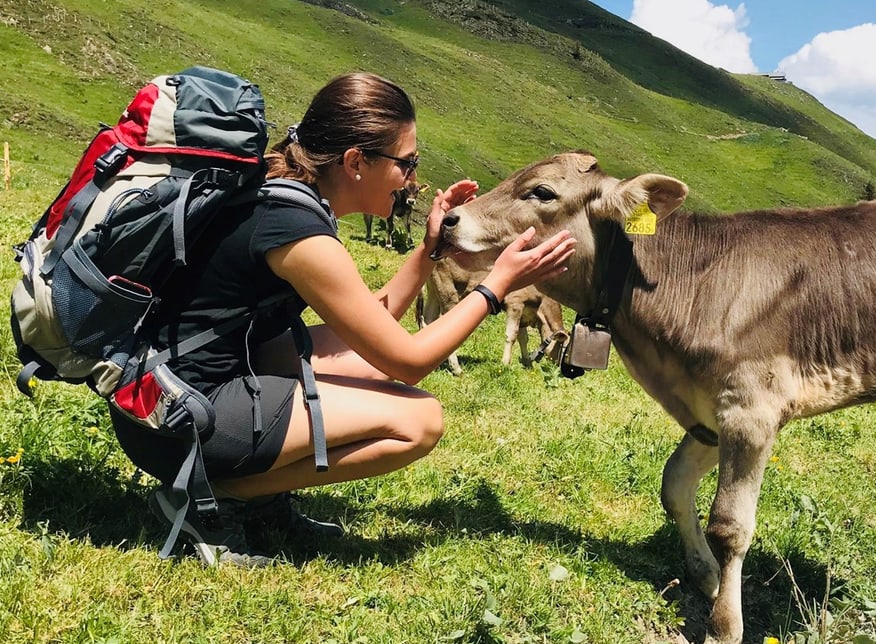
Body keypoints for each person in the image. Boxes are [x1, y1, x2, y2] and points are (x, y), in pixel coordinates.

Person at [108, 72, 576, 566]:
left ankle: (255, 493)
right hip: (177, 419)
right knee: (418, 420)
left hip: (162, 395)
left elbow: (370, 327)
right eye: (407, 163)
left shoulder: (280, 196)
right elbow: (410, 360)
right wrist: (495, 285)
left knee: (367, 365)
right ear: (356, 162)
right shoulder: (296, 230)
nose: (413, 180)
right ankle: (216, 498)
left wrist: (428, 251)